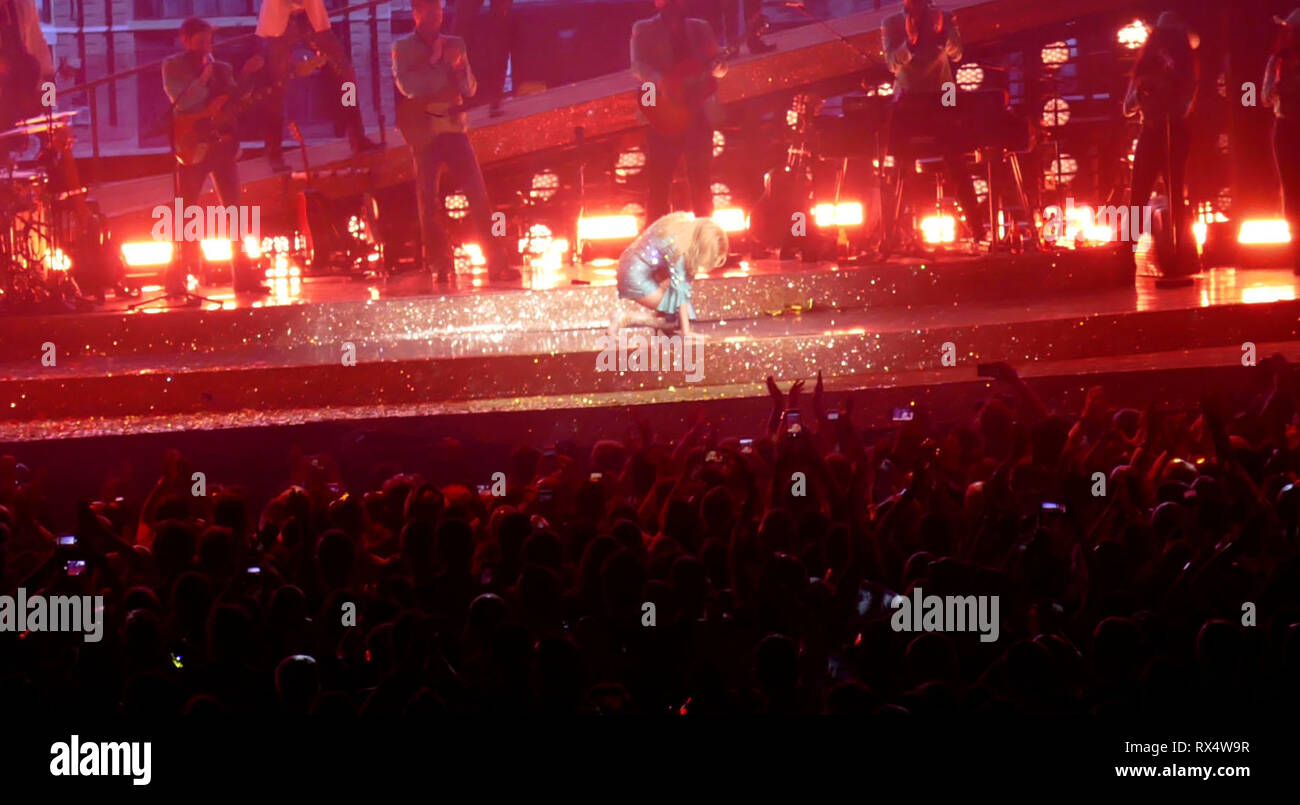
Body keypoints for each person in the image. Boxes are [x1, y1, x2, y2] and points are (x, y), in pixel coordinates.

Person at [394, 0, 519, 284]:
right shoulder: (402, 48)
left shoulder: (455, 43)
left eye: (438, 11)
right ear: (416, 14)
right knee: (428, 201)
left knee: (479, 196)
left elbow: (470, 88)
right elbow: (410, 87)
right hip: (425, 133)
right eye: (429, 12)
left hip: (454, 128)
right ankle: (439, 264)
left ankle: (498, 262)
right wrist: (438, 64)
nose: (436, 17)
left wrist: (461, 72)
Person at [162, 18, 265, 297]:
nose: (206, 47)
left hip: (221, 145)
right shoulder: (173, 66)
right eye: (200, 42)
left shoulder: (223, 68)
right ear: (185, 40)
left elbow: (235, 99)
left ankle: (243, 276)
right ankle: (177, 278)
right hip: (192, 145)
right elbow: (183, 101)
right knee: (186, 213)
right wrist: (204, 82)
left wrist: (246, 75)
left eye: (209, 41)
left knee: (235, 210)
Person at [882, 0, 985, 242]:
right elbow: (891, 64)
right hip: (909, 103)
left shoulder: (945, 17)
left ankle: (976, 227)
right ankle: (892, 231)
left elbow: (958, 53)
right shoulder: (892, 23)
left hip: (942, 98)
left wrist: (942, 35)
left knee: (957, 163)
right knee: (899, 166)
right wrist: (910, 43)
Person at [631, 0, 728, 223]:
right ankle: (656, 243)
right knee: (659, 183)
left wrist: (719, 67)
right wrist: (664, 81)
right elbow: (638, 67)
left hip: (697, 114)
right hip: (663, 116)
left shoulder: (700, 27)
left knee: (701, 181)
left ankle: (705, 240)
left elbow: (719, 69)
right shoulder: (643, 28)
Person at [255, 0, 378, 172]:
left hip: (309, 19)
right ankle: (273, 151)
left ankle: (357, 137)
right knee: (276, 89)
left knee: (346, 77)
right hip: (279, 24)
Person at [1123, 11, 1197, 276]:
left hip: (1172, 132)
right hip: (1153, 132)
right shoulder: (1148, 67)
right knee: (1141, 194)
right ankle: (1125, 255)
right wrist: (1144, 91)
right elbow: (1127, 106)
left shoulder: (1184, 69)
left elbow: (1184, 105)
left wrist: (1164, 95)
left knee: (1173, 193)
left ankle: (1179, 254)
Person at [608, 212, 727, 339]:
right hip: (634, 276)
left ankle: (662, 329)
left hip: (632, 265)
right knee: (675, 318)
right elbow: (680, 293)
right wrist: (686, 332)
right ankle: (624, 318)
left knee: (672, 310)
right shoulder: (679, 250)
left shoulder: (681, 224)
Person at [1264, 8, 1300, 276]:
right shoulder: (1276, 62)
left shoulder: (1277, 61)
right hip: (1286, 126)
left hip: (1286, 125)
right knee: (1291, 191)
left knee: (1291, 192)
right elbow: (1263, 97)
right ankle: (1298, 254)